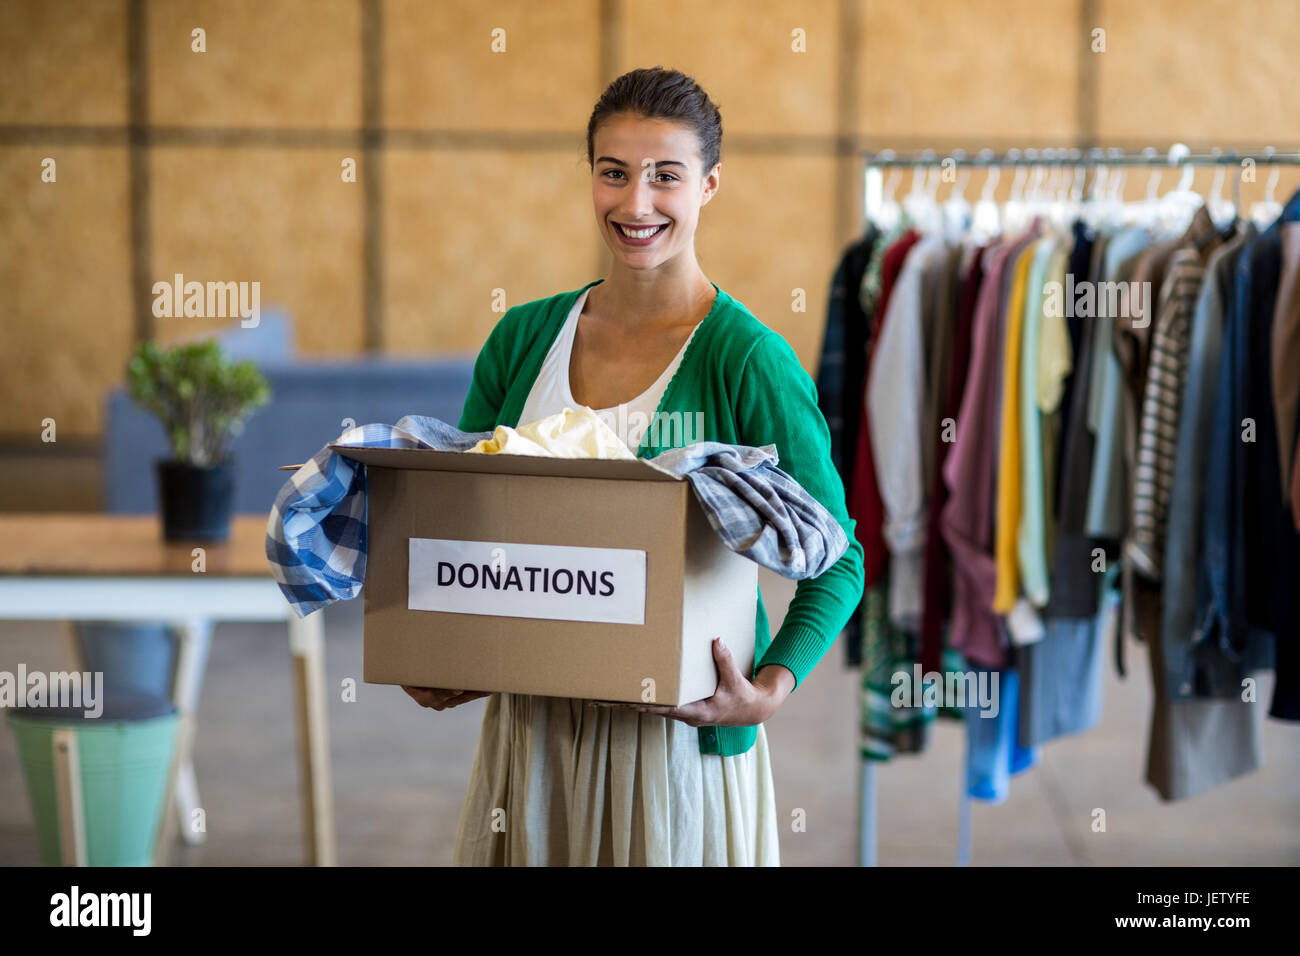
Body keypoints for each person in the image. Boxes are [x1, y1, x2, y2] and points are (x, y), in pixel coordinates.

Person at [401, 66, 864, 866]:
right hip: (533, 735)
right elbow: (462, 520)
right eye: (614, 173)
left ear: (709, 185)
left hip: (677, 746)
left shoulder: (747, 360)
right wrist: (451, 654)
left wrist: (769, 690)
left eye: (665, 176)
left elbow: (839, 557)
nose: (636, 203)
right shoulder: (521, 340)